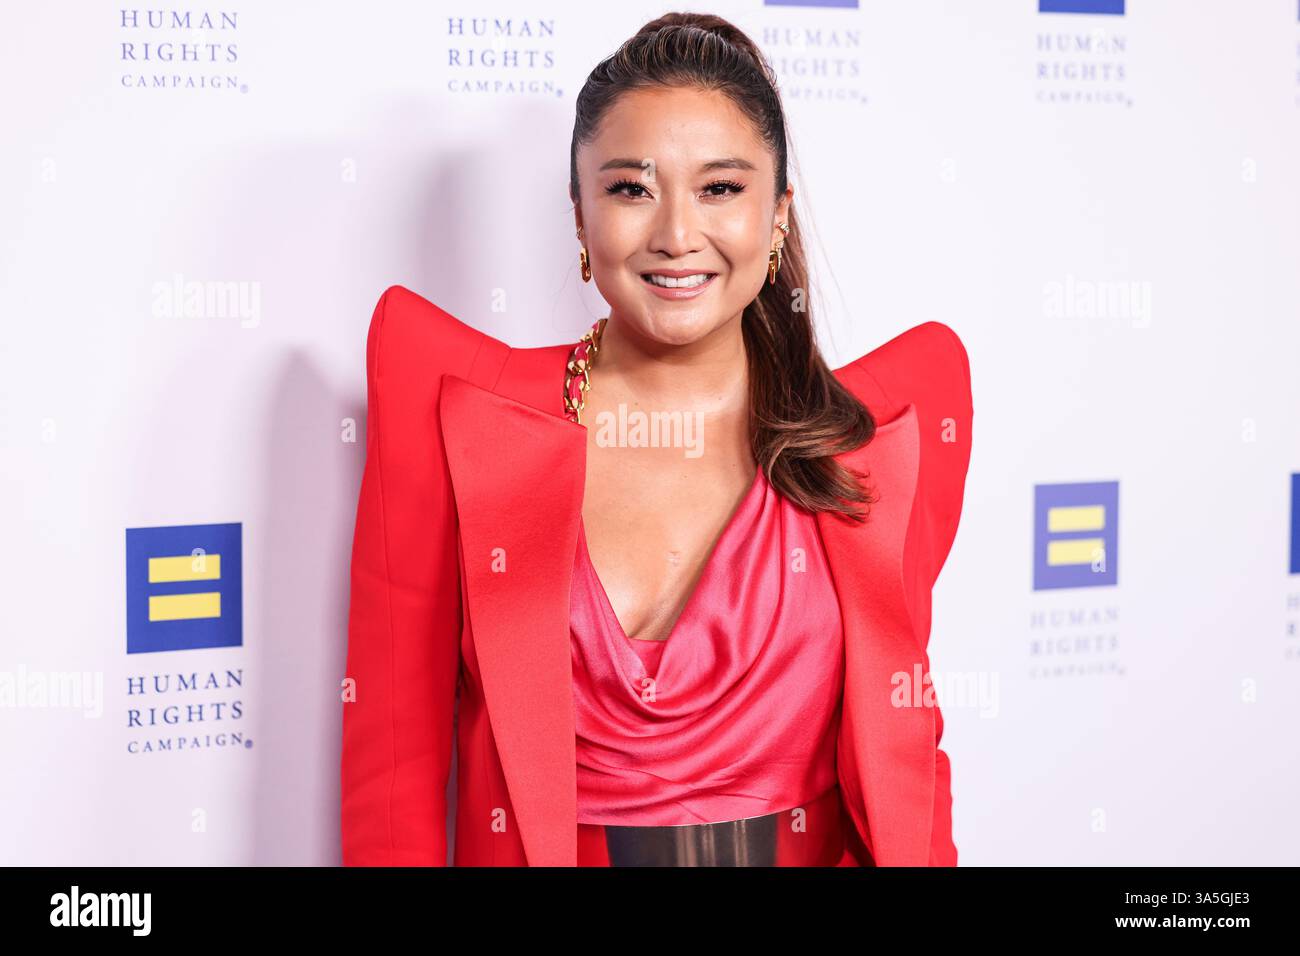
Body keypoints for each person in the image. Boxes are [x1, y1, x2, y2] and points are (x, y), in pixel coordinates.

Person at [341, 11, 973, 867]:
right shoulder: (463, 413)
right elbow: (394, 760)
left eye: (720, 188)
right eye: (631, 188)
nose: (677, 235)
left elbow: (907, 758)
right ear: (579, 216)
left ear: (779, 214)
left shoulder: (868, 436)